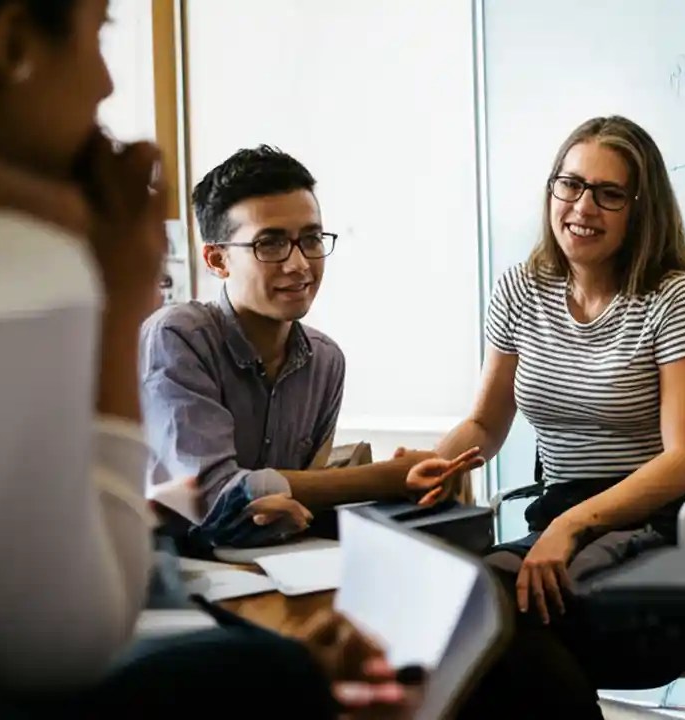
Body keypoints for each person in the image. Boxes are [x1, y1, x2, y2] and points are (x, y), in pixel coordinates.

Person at [0, 1, 416, 716]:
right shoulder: (105, 307)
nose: (106, 87)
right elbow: (67, 631)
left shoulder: (323, 359)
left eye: (313, 239)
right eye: (100, 36)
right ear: (13, 45)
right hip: (166, 587)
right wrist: (122, 292)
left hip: (208, 582)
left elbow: (274, 505)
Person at [425, 115, 685, 717]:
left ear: (642, 208)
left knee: (494, 611)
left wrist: (572, 528)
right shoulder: (519, 289)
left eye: (609, 194)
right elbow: (486, 423)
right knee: (477, 614)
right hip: (560, 513)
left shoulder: (676, 297)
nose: (583, 207)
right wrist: (438, 461)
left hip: (652, 522)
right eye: (570, 185)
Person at [140, 145, 480, 548]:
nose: (299, 264)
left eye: (312, 239)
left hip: (281, 566)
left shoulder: (325, 361)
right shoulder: (178, 337)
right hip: (176, 575)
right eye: (270, 244)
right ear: (217, 260)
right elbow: (215, 497)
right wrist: (387, 477)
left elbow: (301, 499)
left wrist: (408, 477)